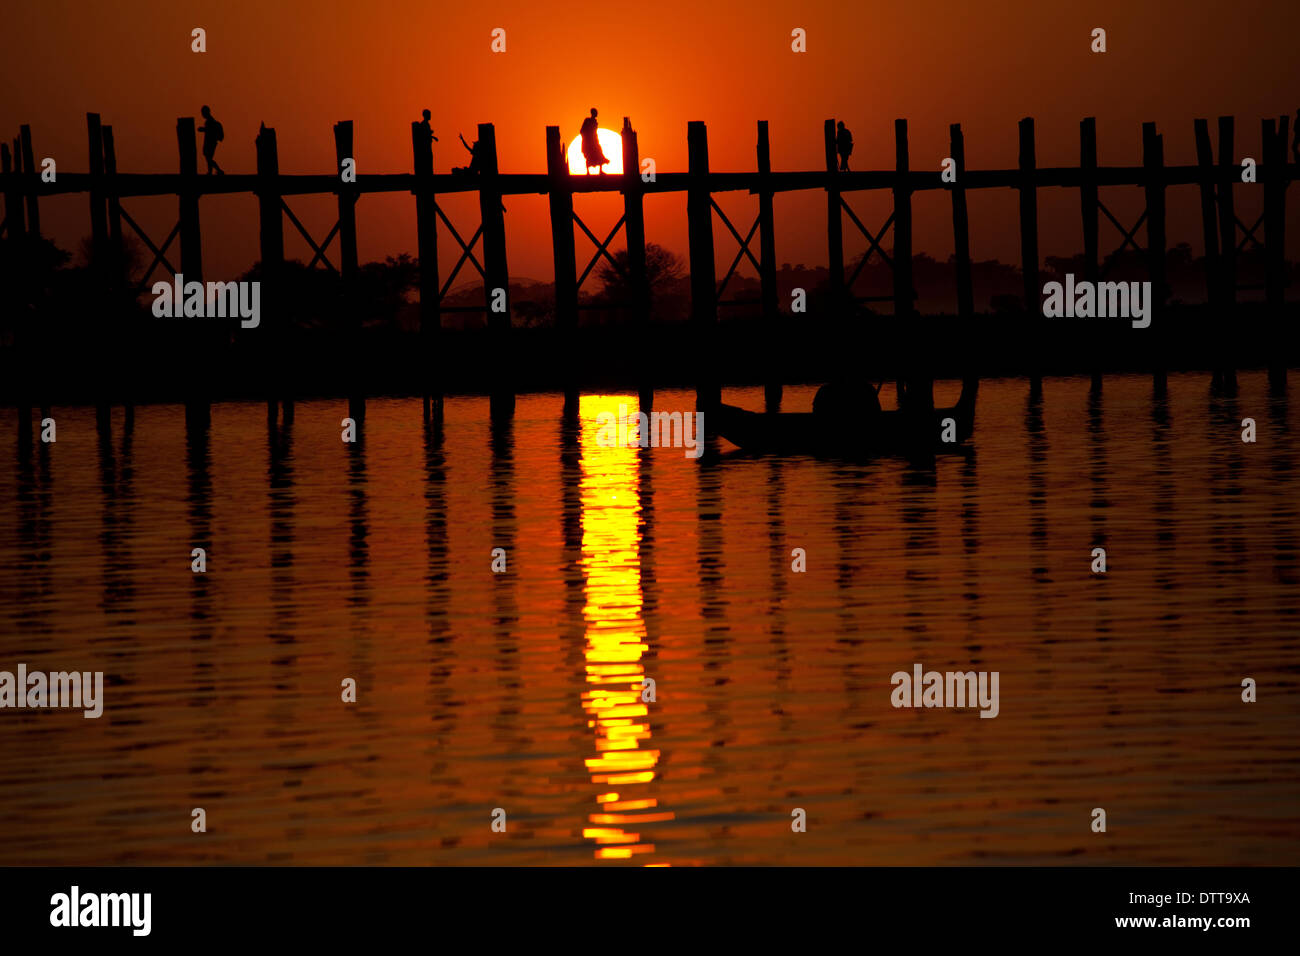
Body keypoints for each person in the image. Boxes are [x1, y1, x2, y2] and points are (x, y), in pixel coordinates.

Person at [580, 108, 609, 174]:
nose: (597, 114)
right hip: (588, 141)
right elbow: (582, 131)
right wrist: (587, 138)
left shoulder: (595, 122)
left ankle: (600, 171)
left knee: (599, 153)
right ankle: (588, 172)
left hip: (594, 141)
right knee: (589, 155)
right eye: (596, 113)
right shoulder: (587, 120)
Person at [198, 105, 224, 175]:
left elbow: (210, 130)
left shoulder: (210, 121)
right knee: (208, 158)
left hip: (210, 142)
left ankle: (218, 170)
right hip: (210, 142)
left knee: (208, 158)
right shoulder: (209, 121)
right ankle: (210, 171)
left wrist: (202, 129)